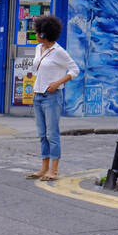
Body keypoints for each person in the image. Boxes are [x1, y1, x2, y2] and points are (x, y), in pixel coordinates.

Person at [26, 14, 80, 182]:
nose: (35, 34)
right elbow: (38, 70)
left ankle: (54, 170)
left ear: (44, 34)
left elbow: (75, 70)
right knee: (42, 134)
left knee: (52, 134)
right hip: (38, 95)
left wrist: (58, 83)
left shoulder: (59, 52)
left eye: (37, 32)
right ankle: (43, 168)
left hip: (52, 96)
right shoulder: (38, 49)